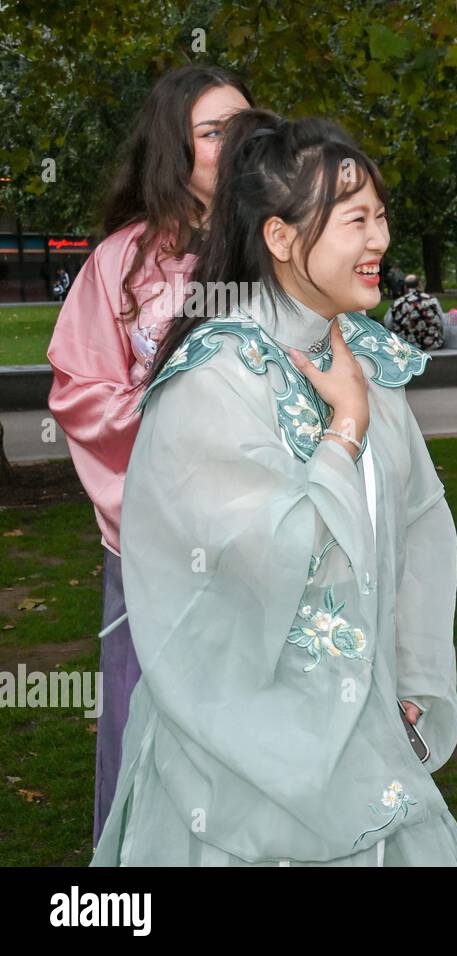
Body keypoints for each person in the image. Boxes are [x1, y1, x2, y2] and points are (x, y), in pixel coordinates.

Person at [91, 109, 457, 867]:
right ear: (281, 237)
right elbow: (264, 559)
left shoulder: (364, 358)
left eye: (383, 218)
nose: (381, 242)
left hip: (368, 736)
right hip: (237, 755)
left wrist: (408, 675)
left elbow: (421, 524)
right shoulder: (215, 379)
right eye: (357, 220)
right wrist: (344, 430)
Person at [46, 64, 254, 846]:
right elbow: (79, 391)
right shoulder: (122, 262)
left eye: (245, 125)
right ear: (176, 148)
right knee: (155, 731)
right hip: (162, 541)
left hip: (274, 540)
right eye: (212, 131)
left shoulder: (284, 245)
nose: (234, 145)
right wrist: (177, 419)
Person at [383, 273, 446, 352]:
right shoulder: (432, 300)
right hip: (431, 344)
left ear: (405, 286)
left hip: (405, 346)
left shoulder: (397, 303)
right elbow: (442, 321)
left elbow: (387, 324)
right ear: (419, 284)